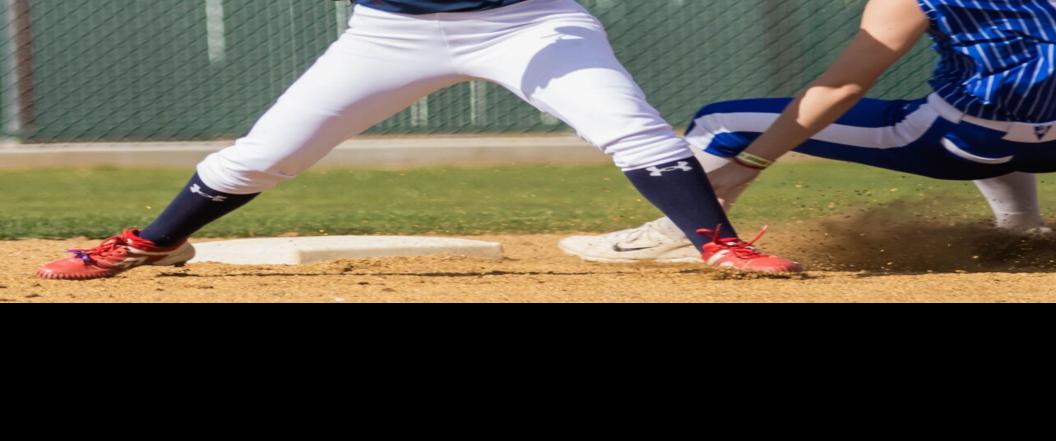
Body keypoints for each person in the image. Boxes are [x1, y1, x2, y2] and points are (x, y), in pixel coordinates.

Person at [36, 0, 800, 281]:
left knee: (625, 124)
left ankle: (716, 244)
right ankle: (154, 242)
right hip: (389, 31)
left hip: (530, 19)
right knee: (270, 152)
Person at [562, 0, 1056, 265]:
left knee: (720, 121)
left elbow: (843, 87)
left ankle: (681, 230)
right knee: (1006, 96)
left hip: (963, 142)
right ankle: (1021, 228)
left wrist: (749, 165)